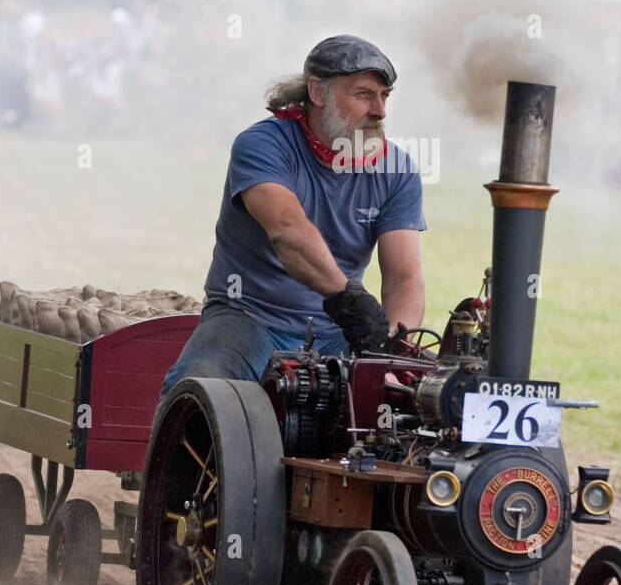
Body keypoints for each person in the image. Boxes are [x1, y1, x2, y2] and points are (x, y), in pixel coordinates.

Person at [159, 34, 426, 399]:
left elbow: (404, 277)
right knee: (199, 385)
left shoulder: (397, 169)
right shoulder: (263, 144)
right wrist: (350, 301)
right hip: (247, 317)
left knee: (410, 408)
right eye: (364, 94)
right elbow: (288, 231)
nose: (379, 111)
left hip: (337, 333)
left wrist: (394, 347)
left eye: (385, 96)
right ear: (317, 92)